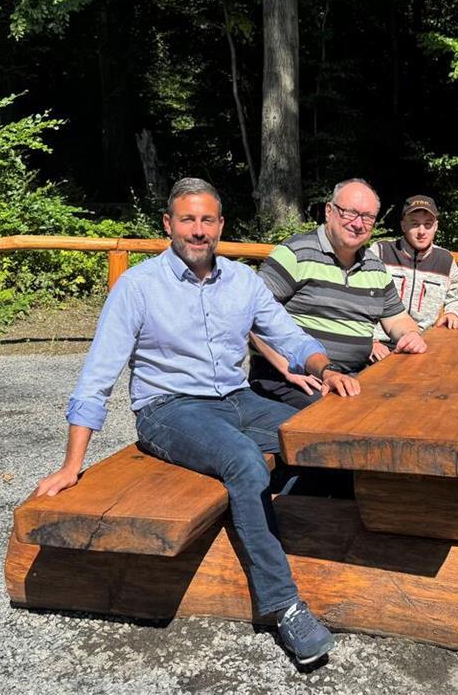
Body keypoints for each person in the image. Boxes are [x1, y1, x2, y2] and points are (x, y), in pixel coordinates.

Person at [34, 178, 355, 665]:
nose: (198, 230)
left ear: (221, 226)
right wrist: (71, 464)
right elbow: (97, 375)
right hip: (169, 410)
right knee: (246, 462)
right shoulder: (139, 286)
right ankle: (284, 606)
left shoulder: (242, 282)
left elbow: (290, 336)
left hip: (239, 399)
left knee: (324, 433)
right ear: (168, 224)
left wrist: (325, 369)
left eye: (208, 220)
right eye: (188, 219)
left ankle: (282, 526)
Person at [250, 178, 428, 408]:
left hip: (353, 376)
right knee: (354, 416)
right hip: (295, 379)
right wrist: (286, 368)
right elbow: (250, 312)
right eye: (350, 213)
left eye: (367, 217)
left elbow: (396, 318)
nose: (358, 223)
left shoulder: (374, 266)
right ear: (329, 211)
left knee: (416, 401)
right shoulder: (296, 253)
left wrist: (410, 335)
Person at [366, 195, 458, 363]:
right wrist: (368, 342)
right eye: (415, 224)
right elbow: (357, 301)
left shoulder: (445, 259)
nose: (422, 231)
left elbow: (457, 297)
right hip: (378, 346)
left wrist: (453, 313)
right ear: (403, 225)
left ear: (436, 227)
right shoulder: (380, 252)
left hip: (424, 345)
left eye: (428, 224)